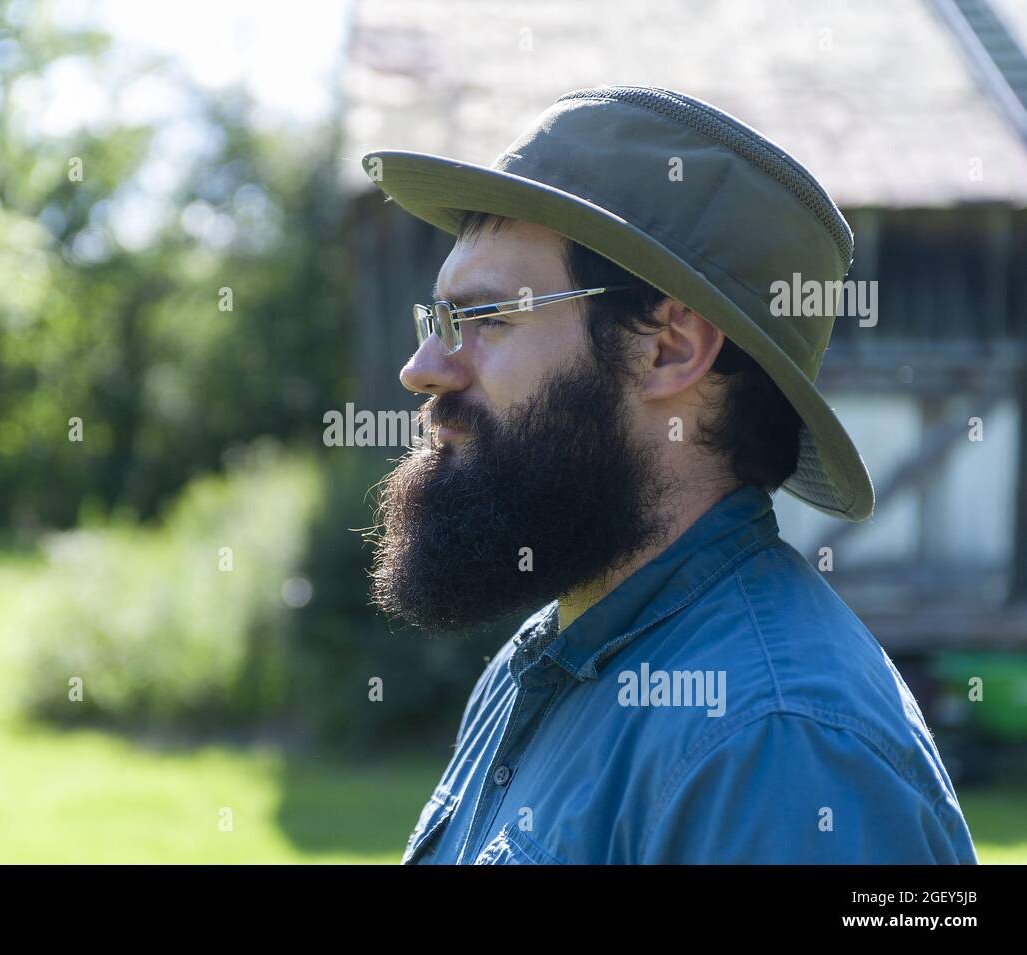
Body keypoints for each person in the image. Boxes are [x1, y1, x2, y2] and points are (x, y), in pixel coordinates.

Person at [362, 85, 978, 864]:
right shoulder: (546, 657)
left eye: (484, 318)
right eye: (437, 319)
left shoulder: (779, 745)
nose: (422, 369)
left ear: (668, 348)